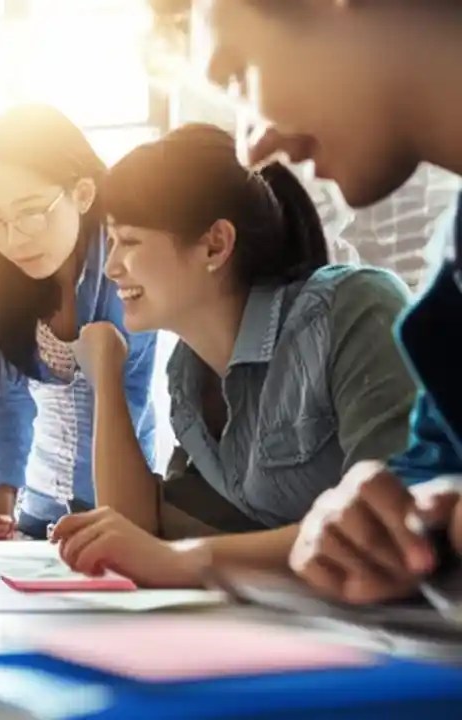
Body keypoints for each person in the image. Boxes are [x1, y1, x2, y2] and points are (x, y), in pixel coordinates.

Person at [167, 0, 462, 605]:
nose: (252, 147)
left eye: (240, 75)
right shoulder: (451, 275)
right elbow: (428, 476)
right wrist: (356, 523)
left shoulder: (351, 305)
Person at [47, 124, 417, 587]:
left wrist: (190, 560)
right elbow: (140, 532)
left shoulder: (352, 308)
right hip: (308, 624)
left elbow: (393, 522)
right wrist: (106, 371)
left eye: (131, 240)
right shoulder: (187, 373)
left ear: (215, 244)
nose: (111, 265)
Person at [0, 104, 158, 541]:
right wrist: (1, 510)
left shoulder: (126, 255)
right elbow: (4, 393)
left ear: (82, 195)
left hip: (118, 506)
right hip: (37, 511)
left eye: (30, 212)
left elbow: (129, 395)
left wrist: (106, 516)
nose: (12, 238)